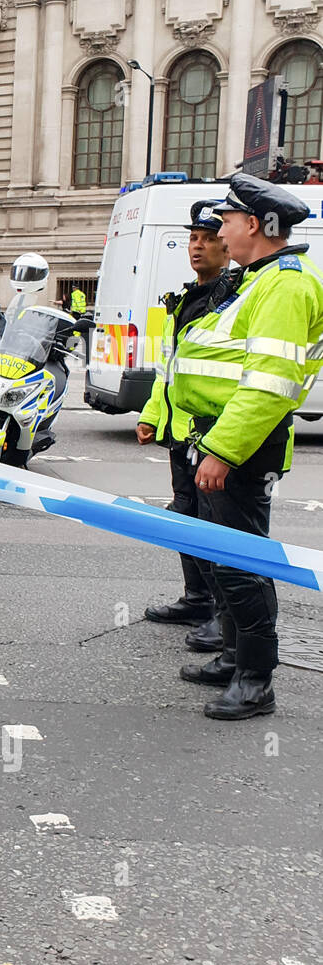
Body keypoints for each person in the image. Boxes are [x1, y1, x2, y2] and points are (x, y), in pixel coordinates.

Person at [169, 174, 323, 720]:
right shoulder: (258, 280)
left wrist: (223, 452)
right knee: (222, 557)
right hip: (217, 436)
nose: (220, 231)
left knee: (243, 566)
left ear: (253, 225)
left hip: (242, 447)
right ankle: (234, 656)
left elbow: (269, 384)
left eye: (227, 221)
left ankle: (256, 680)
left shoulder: (284, 284)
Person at [137, 200, 229, 652]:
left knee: (213, 524)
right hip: (181, 431)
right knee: (185, 515)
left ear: (227, 245)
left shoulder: (232, 298)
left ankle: (219, 609)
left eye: (209, 238)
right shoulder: (188, 296)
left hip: (211, 433)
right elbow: (168, 369)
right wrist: (152, 415)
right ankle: (197, 597)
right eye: (194, 238)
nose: (198, 246)